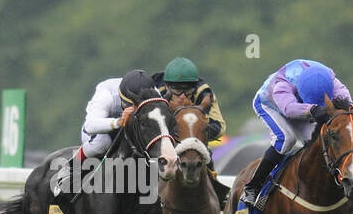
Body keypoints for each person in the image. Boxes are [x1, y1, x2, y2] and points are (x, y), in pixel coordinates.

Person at [240, 59, 353, 210]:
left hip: (300, 105)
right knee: (286, 139)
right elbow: (289, 109)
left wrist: (350, 113)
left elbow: (347, 104)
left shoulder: (330, 80)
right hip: (270, 105)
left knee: (316, 142)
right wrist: (311, 110)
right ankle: (253, 187)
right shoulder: (283, 85)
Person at [50, 69, 161, 197]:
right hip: (100, 132)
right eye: (131, 106)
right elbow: (90, 125)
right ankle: (70, 168)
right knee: (102, 143)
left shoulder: (155, 94)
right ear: (123, 99)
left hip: (133, 130)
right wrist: (118, 122)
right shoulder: (106, 93)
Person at [154, 56, 231, 203]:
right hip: (163, 140)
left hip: (195, 141)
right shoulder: (156, 92)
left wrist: (195, 123)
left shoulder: (205, 94)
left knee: (205, 153)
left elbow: (219, 127)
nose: (182, 96)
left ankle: (218, 196)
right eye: (177, 90)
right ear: (168, 87)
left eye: (187, 90)